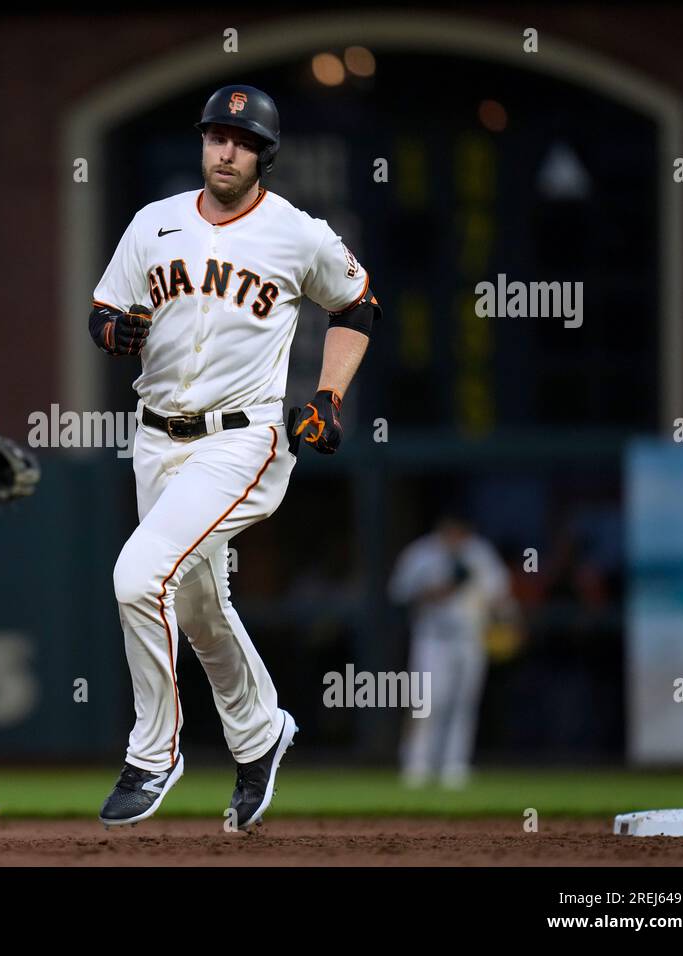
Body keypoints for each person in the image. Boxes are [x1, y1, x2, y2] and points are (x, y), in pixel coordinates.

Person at [88, 85, 381, 828]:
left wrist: (330, 395)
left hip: (242, 437)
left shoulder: (297, 233)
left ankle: (154, 754)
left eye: (243, 140)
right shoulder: (153, 223)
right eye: (218, 134)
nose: (227, 149)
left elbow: (356, 305)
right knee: (198, 603)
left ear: (264, 156)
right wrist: (112, 332)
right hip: (154, 438)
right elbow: (105, 310)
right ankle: (259, 733)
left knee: (136, 577)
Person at [389, 512, 513, 789]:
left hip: (470, 638)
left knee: (463, 703)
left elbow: (500, 595)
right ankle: (416, 765)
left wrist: (503, 619)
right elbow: (399, 593)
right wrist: (441, 589)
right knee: (427, 703)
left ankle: (454, 766)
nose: (455, 537)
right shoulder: (421, 554)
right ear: (441, 530)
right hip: (432, 638)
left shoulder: (480, 553)